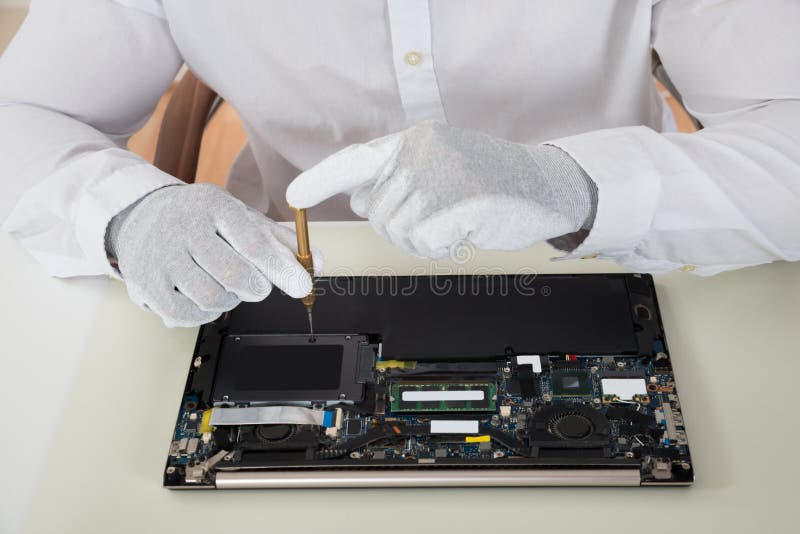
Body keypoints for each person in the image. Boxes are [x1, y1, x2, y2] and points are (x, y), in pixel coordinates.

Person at [1, 0, 798, 327]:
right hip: (295, 272)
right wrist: (124, 212)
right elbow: (21, 112)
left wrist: (573, 185)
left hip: (633, 255)